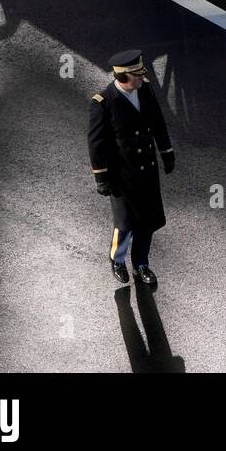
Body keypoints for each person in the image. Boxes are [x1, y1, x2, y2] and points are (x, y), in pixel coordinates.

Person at [88, 50, 175, 287]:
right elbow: (96, 143)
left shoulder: (144, 89)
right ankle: (117, 260)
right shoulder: (104, 103)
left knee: (147, 221)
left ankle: (141, 264)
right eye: (136, 75)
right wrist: (101, 177)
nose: (142, 78)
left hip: (146, 169)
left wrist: (166, 153)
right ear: (123, 76)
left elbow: (157, 121)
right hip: (122, 176)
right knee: (125, 223)